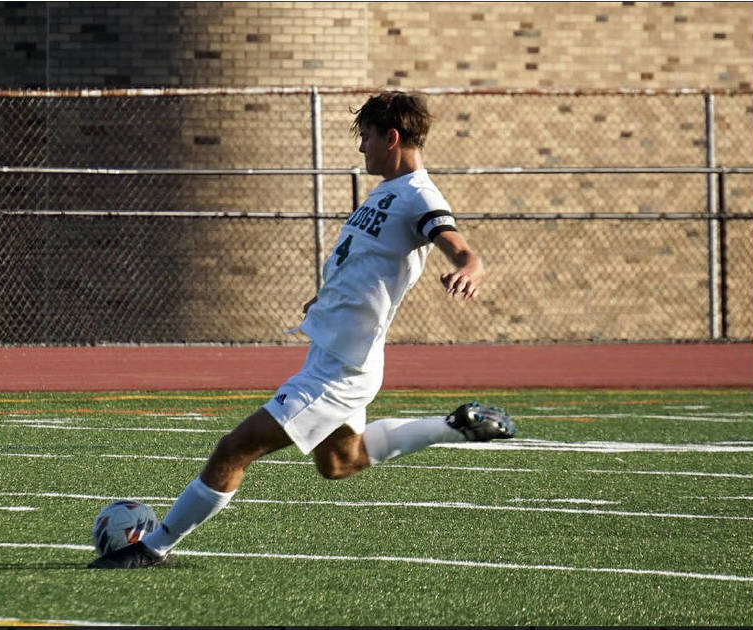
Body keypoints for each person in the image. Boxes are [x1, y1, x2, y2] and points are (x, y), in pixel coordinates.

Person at [90, 91, 517, 569]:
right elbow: (365, 261)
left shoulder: (419, 195)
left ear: (391, 138)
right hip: (337, 356)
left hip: (339, 369)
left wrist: (470, 267)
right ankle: (455, 426)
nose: (362, 150)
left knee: (233, 450)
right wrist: (327, 297)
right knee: (340, 462)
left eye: (368, 139)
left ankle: (152, 548)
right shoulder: (386, 191)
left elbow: (457, 245)